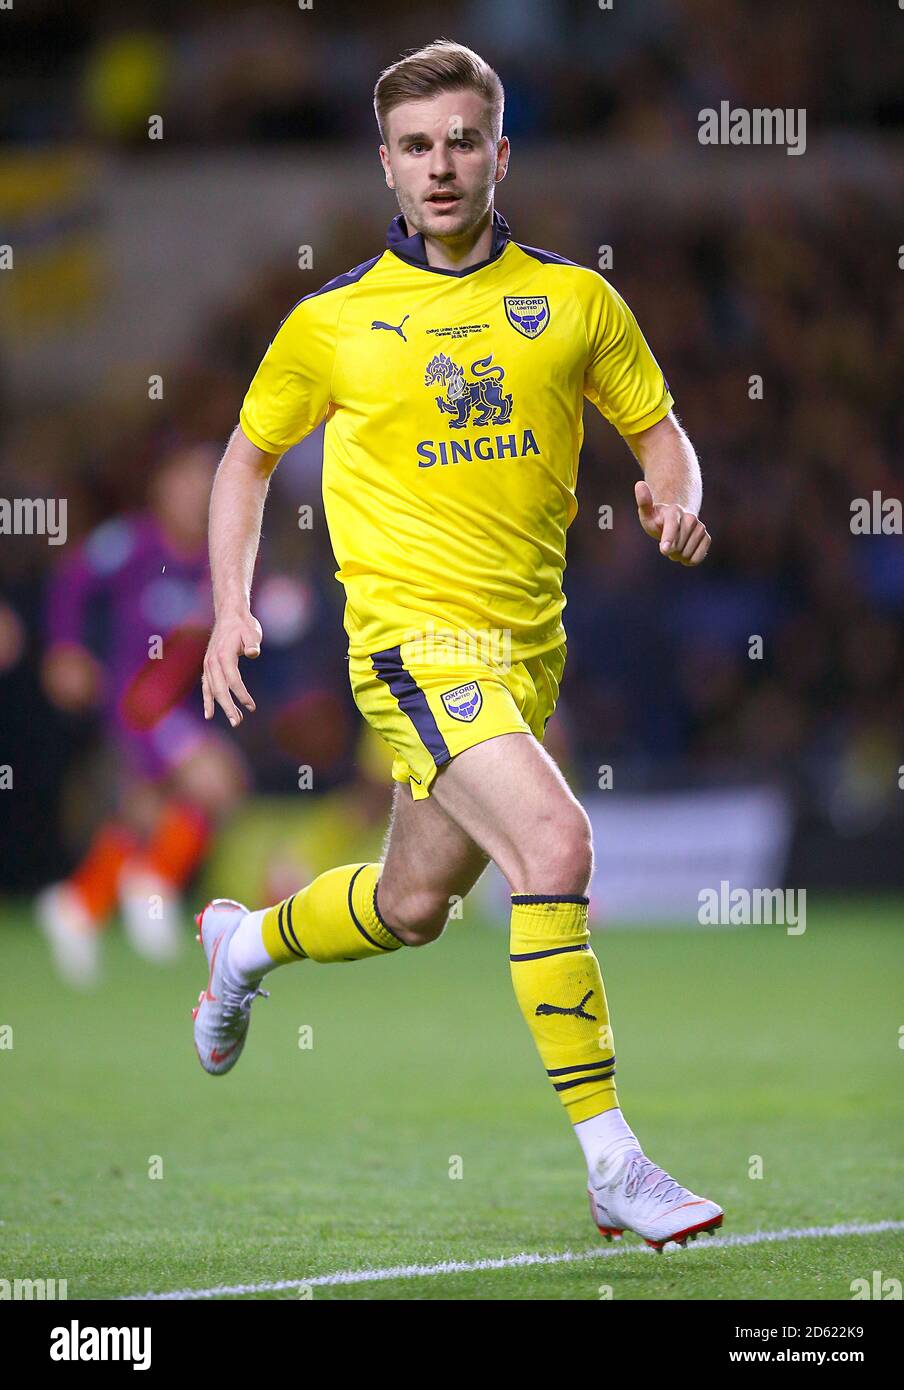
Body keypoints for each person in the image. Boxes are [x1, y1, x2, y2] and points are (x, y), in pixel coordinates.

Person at [195, 39, 720, 1251]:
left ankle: (242, 943)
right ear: (385, 162)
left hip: (525, 652)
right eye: (416, 147)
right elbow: (245, 456)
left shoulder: (575, 301)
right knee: (555, 840)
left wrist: (671, 493)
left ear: (499, 151)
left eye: (462, 141)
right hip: (406, 646)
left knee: (413, 900)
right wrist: (230, 603)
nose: (440, 167)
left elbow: (660, 430)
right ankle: (613, 1164)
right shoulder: (333, 322)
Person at [38, 440, 247, 985]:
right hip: (139, 704)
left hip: (186, 706)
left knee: (147, 814)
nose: (196, 491)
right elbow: (70, 580)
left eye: (208, 481)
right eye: (185, 479)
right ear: (161, 486)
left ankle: (78, 906)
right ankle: (151, 887)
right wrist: (65, 649)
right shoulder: (131, 542)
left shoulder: (216, 555)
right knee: (218, 782)